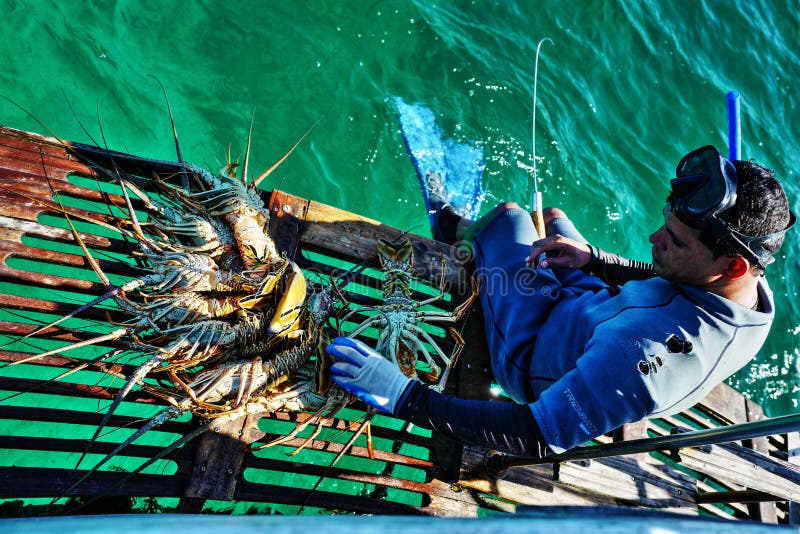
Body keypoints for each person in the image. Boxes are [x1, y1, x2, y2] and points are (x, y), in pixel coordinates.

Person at [326, 145, 795, 459]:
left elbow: (535, 435)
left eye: (674, 240)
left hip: (534, 354)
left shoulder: (644, 357)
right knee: (553, 220)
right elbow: (668, 279)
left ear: (733, 265)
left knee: (509, 217)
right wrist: (595, 260)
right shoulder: (751, 295)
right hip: (600, 313)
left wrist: (403, 395)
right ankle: (514, 248)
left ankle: (453, 228)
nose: (654, 239)